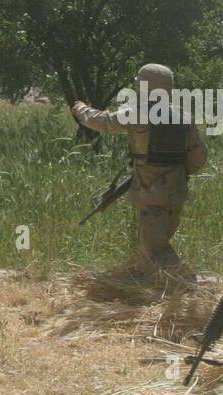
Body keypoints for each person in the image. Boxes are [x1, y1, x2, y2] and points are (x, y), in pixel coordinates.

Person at [71, 63, 208, 277]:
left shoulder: (138, 114)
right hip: (176, 191)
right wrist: (177, 174)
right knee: (153, 243)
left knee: (156, 248)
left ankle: (184, 283)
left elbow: (102, 122)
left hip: (150, 190)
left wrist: (80, 109)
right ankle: (147, 285)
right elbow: (199, 157)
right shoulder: (184, 117)